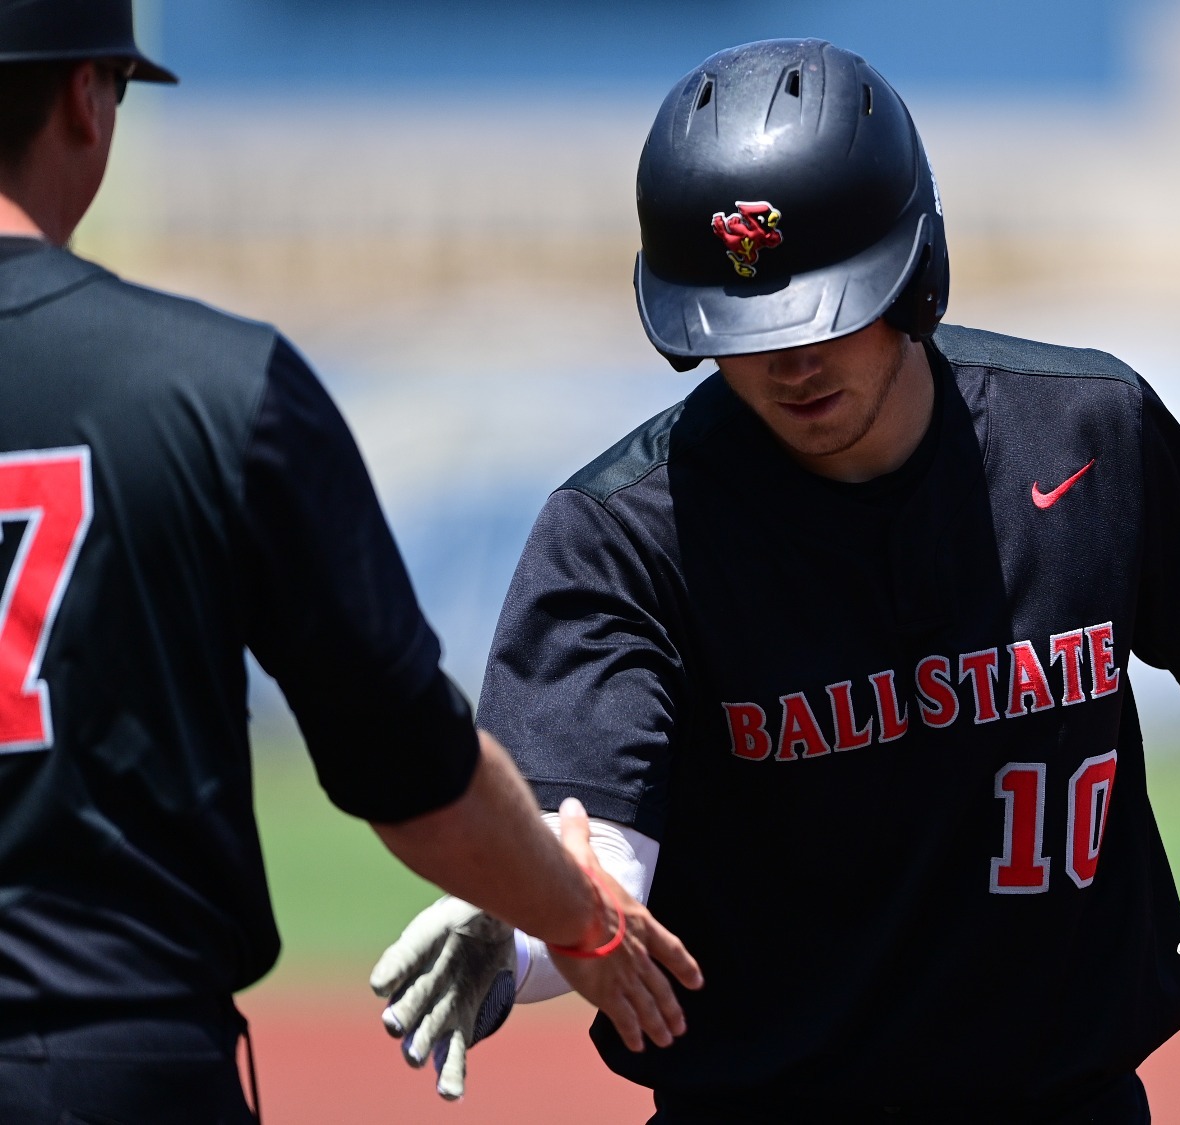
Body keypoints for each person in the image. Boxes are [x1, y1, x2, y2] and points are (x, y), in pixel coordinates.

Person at [370, 38, 1180, 1123]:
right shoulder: (623, 535)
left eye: (829, 312)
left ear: (916, 270)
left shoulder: (1085, 429)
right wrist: (525, 923)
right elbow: (600, 842)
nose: (791, 364)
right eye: (743, 330)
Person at [0, 3, 697, 1120]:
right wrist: (585, 921)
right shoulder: (213, 387)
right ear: (88, 96)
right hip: (110, 1061)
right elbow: (416, 780)